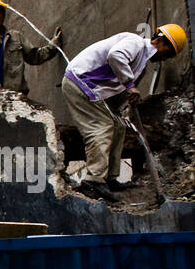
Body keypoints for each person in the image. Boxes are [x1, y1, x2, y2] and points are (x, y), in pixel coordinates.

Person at [62, 24, 187, 201]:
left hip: (93, 89)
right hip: (79, 81)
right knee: (101, 127)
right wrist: (130, 86)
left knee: (118, 125)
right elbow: (116, 56)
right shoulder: (135, 43)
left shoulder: (142, 64)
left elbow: (117, 88)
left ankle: (110, 178)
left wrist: (122, 106)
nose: (164, 58)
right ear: (159, 41)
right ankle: (93, 180)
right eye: (167, 52)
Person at [0, 0, 62, 94]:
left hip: (16, 96)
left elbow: (35, 56)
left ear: (3, 14)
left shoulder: (16, 37)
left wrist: (53, 46)